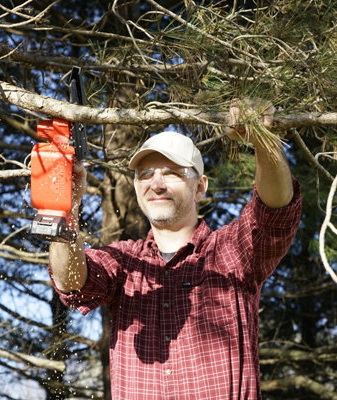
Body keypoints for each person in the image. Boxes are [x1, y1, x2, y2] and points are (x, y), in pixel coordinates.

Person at [49, 99, 302, 400]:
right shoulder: (125, 262)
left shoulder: (231, 251)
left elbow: (275, 211)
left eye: (171, 173)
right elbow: (71, 281)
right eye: (145, 174)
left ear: (200, 187)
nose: (156, 184)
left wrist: (263, 138)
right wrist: (64, 208)